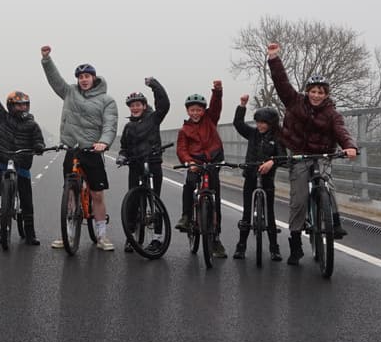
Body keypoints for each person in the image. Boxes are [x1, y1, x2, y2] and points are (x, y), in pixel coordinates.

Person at [266, 43, 358, 265]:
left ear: (326, 95)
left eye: (321, 92)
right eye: (313, 91)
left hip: (323, 155)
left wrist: (349, 145)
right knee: (299, 199)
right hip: (299, 154)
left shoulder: (331, 113)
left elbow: (341, 131)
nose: (316, 95)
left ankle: (334, 222)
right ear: (307, 91)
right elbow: (282, 83)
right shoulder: (295, 101)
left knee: (328, 184)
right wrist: (274, 59)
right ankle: (296, 243)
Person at [41, 45, 119, 251]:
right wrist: (47, 59)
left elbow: (110, 124)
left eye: (87, 76)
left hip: (93, 150)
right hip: (72, 149)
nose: (83, 79)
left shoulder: (107, 100)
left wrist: (104, 142)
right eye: (80, 77)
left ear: (94, 78)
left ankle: (102, 235)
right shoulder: (69, 93)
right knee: (70, 194)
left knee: (97, 195)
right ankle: (67, 233)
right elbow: (54, 80)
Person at [0, 73, 46, 246]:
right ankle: (3, 232)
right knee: (4, 199)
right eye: (18, 105)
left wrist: (38, 147)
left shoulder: (32, 124)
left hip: (22, 164)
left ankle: (30, 234)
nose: (22, 108)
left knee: (27, 200)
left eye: (25, 105)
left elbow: (39, 140)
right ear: (10, 106)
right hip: (4, 162)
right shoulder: (3, 118)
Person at [117, 77, 170, 254]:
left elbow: (164, 104)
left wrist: (154, 84)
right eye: (132, 106)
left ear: (144, 106)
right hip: (135, 165)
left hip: (153, 163)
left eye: (138, 104)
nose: (135, 108)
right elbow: (124, 147)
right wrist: (122, 156)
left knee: (155, 200)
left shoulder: (154, 119)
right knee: (132, 201)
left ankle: (157, 238)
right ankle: (131, 236)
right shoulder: (128, 127)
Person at [175, 83, 227, 259]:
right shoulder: (184, 130)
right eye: (192, 110)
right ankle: (186, 216)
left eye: (198, 110)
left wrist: (217, 91)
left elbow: (216, 105)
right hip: (195, 163)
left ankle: (216, 238)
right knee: (189, 184)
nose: (195, 113)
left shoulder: (210, 120)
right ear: (188, 111)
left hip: (213, 161)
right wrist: (188, 162)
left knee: (215, 199)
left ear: (203, 111)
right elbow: (181, 149)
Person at [232, 95, 284, 262]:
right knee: (247, 213)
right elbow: (238, 125)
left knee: (270, 214)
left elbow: (282, 156)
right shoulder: (253, 134)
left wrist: (272, 161)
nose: (260, 125)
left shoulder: (277, 138)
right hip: (251, 176)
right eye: (258, 122)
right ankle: (241, 247)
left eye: (264, 122)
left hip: (268, 179)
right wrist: (242, 106)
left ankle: (274, 249)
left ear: (272, 123)